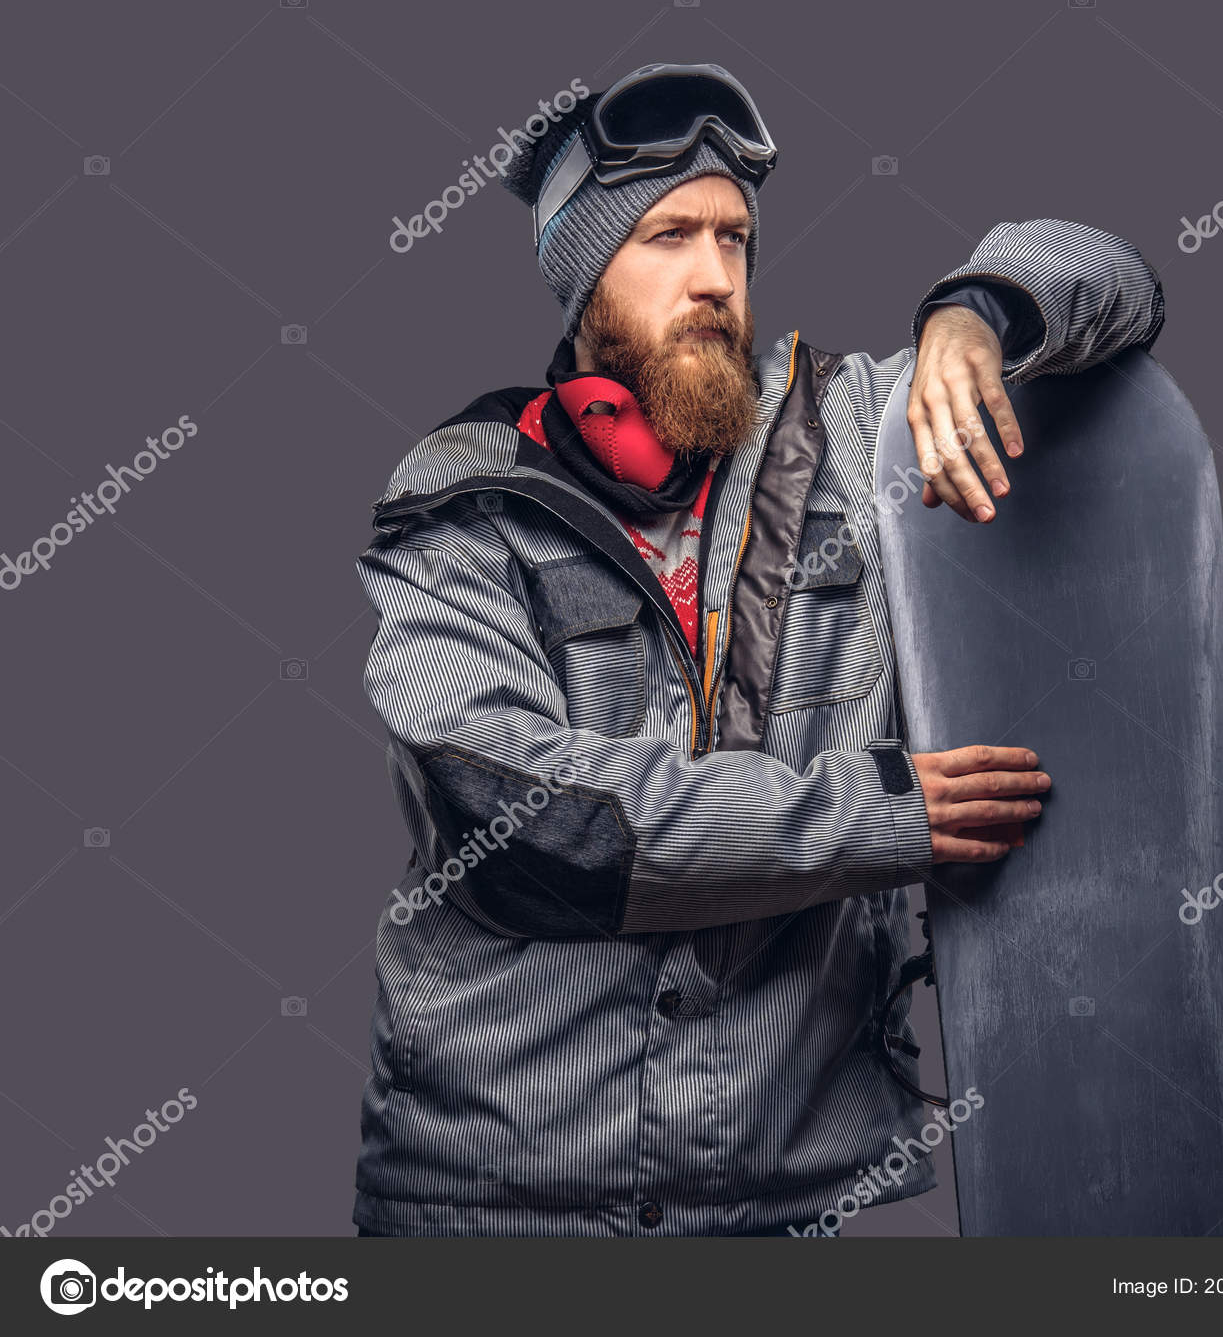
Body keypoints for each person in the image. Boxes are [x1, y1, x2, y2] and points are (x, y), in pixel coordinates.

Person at [352, 62, 1164, 1237]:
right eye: (668, 236)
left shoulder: (853, 436)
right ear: (583, 278)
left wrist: (972, 313)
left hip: (790, 1200)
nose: (713, 277)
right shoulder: (463, 506)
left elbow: (1116, 275)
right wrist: (885, 816)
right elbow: (528, 828)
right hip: (496, 1200)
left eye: (733, 237)